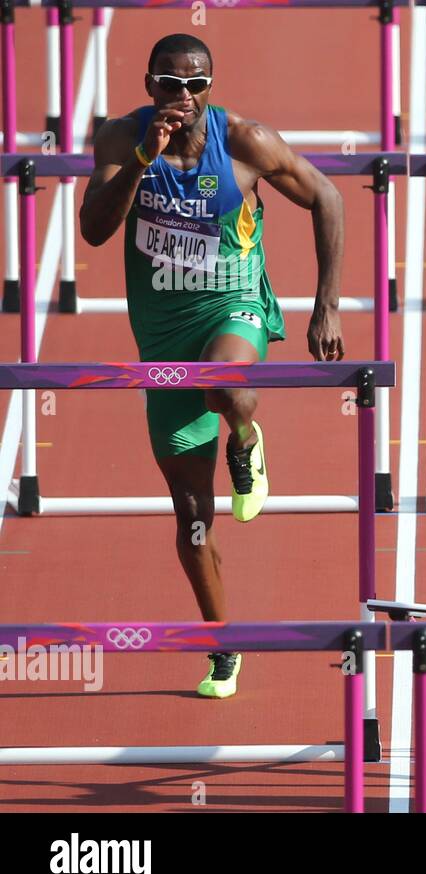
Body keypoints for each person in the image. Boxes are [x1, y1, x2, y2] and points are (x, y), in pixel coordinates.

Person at [80, 33, 345, 699]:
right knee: (193, 522)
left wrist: (327, 306)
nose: (186, 98)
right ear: (150, 86)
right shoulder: (120, 138)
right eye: (171, 84)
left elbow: (327, 197)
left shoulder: (246, 141)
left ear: (211, 87)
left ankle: (247, 440)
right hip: (161, 338)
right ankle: (222, 644)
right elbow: (93, 229)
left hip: (232, 308)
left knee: (224, 384)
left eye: (197, 85)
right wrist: (143, 159)